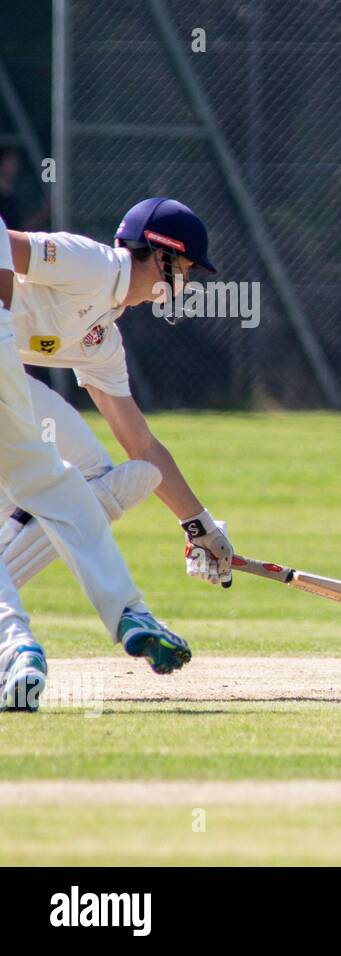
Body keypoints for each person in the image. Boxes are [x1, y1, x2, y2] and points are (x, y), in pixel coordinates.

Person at [0, 199, 226, 710]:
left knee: (105, 476)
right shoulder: (93, 262)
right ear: (163, 256)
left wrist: (200, 526)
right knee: (74, 482)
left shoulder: (102, 337)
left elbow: (141, 445)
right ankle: (100, 618)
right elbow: (5, 243)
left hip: (6, 384)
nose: (185, 286)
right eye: (186, 270)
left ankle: (120, 616)